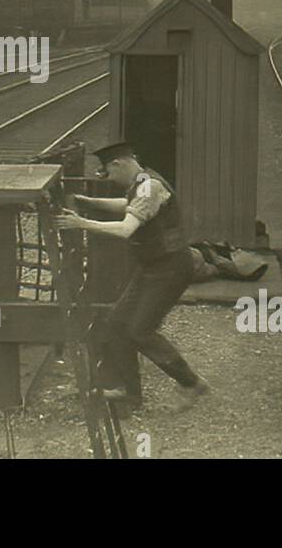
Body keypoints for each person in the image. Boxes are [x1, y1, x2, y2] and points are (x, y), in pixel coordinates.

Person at [53, 141, 211, 410]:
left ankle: (192, 383)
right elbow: (127, 205)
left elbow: (126, 228)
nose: (109, 179)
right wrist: (88, 202)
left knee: (140, 330)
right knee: (116, 322)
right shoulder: (141, 181)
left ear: (119, 163)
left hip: (171, 268)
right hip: (153, 265)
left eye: (108, 173)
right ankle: (129, 393)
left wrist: (81, 223)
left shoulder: (149, 187)